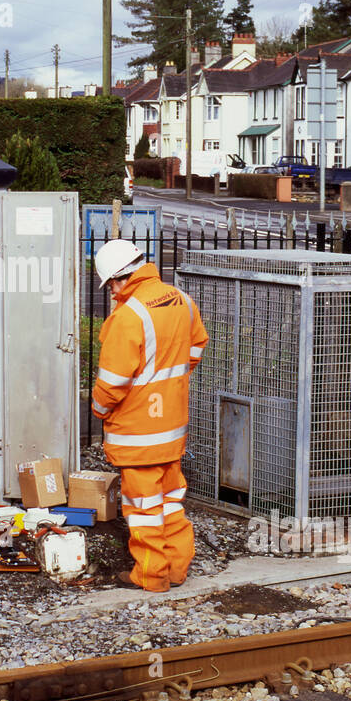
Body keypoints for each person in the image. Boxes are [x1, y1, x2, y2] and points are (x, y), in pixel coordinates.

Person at [91, 240, 208, 592]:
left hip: (138, 432)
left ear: (122, 278)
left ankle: (151, 575)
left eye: (111, 284)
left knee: (142, 508)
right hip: (172, 428)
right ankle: (176, 568)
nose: (111, 292)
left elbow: (112, 383)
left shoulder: (127, 317)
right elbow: (197, 346)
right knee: (170, 501)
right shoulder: (180, 299)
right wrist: (167, 383)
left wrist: (98, 409)